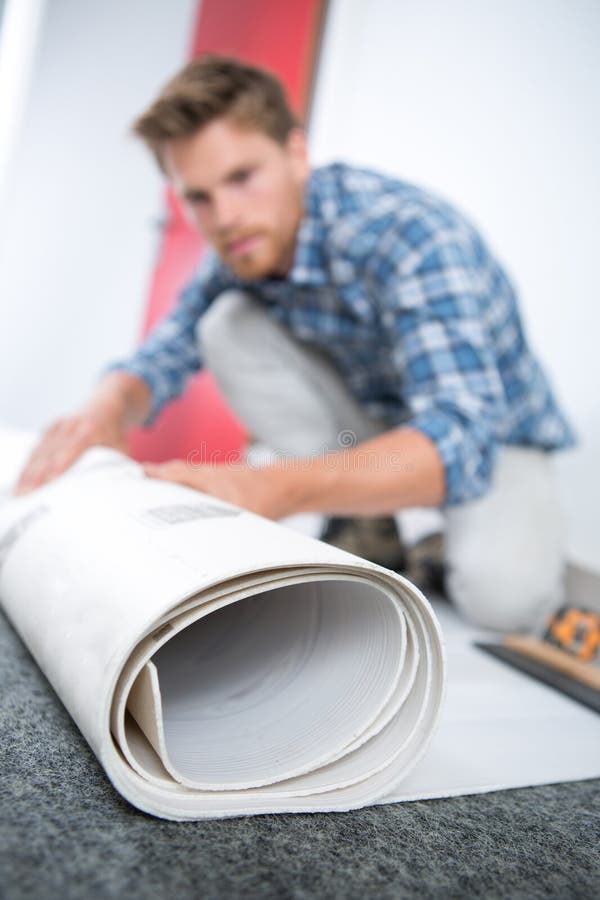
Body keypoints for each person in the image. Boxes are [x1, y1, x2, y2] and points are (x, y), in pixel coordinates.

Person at [15, 55, 575, 632]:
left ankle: (422, 537)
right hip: (378, 424)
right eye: (199, 197)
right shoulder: (243, 245)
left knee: (507, 603)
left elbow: (460, 436)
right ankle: (371, 522)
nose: (226, 216)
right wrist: (104, 407)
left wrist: (271, 487)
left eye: (242, 177)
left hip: (491, 436)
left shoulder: (410, 234)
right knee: (225, 322)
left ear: (297, 155)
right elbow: (164, 352)